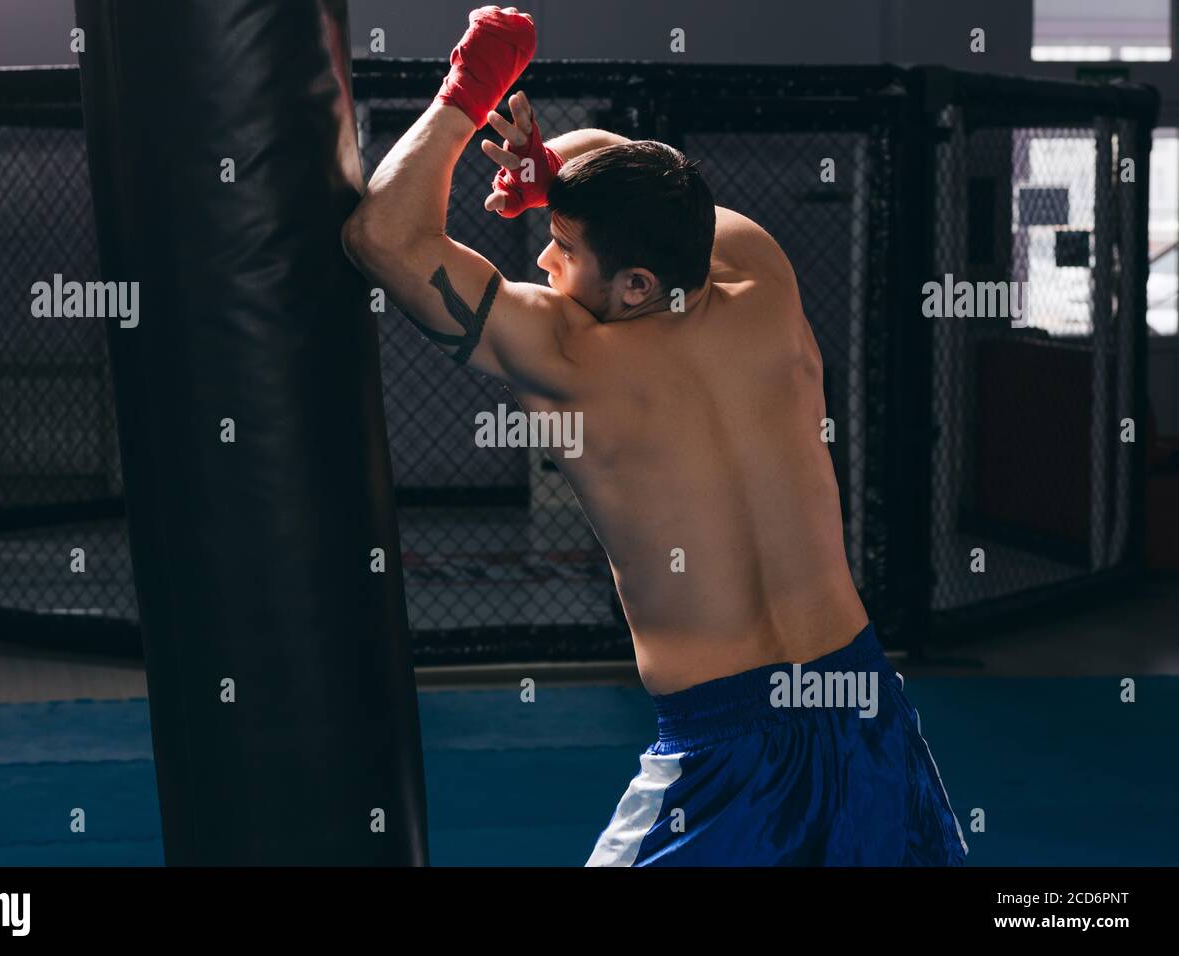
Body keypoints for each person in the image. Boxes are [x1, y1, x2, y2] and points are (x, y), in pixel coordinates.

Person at [342, 5, 967, 866]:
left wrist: (470, 87)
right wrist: (554, 171)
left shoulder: (569, 355)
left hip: (727, 754)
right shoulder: (761, 273)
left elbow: (382, 234)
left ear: (635, 285)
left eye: (559, 245)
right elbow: (658, 174)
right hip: (867, 710)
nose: (544, 261)